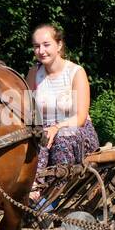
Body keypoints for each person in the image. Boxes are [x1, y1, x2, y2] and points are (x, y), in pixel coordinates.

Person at [27, 23, 99, 203]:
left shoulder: (75, 72)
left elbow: (81, 117)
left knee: (61, 138)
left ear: (59, 45)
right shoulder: (34, 73)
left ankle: (54, 195)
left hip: (75, 130)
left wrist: (56, 127)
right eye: (36, 46)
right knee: (30, 139)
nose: (41, 50)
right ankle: (32, 190)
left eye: (46, 44)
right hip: (44, 130)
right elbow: (26, 109)